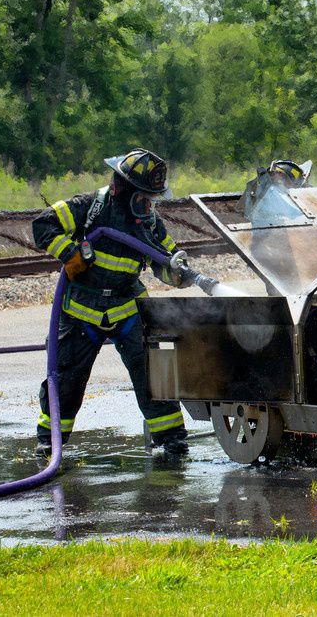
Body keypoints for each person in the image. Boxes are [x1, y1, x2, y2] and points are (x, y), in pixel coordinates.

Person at [32, 149, 193, 456]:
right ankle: (49, 442)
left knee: (156, 373)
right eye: (143, 198)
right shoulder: (88, 208)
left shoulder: (150, 223)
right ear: (121, 189)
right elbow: (43, 225)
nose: (148, 205)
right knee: (66, 380)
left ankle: (172, 439)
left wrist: (178, 273)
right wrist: (69, 253)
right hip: (82, 311)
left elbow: (165, 261)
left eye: (152, 199)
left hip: (129, 309)